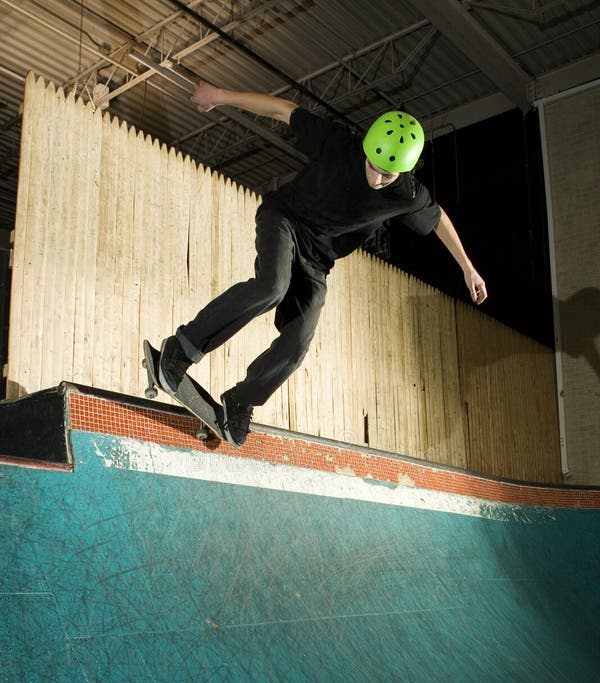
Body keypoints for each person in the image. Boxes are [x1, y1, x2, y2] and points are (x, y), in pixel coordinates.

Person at [158, 81, 487, 447]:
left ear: (405, 172)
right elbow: (282, 109)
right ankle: (183, 346)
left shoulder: (409, 195)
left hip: (317, 260)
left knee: (298, 341)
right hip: (285, 220)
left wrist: (467, 267)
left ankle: (241, 399)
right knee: (270, 287)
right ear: (366, 149)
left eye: (387, 175)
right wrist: (220, 97)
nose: (376, 178)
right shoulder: (338, 143)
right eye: (373, 166)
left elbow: (439, 218)